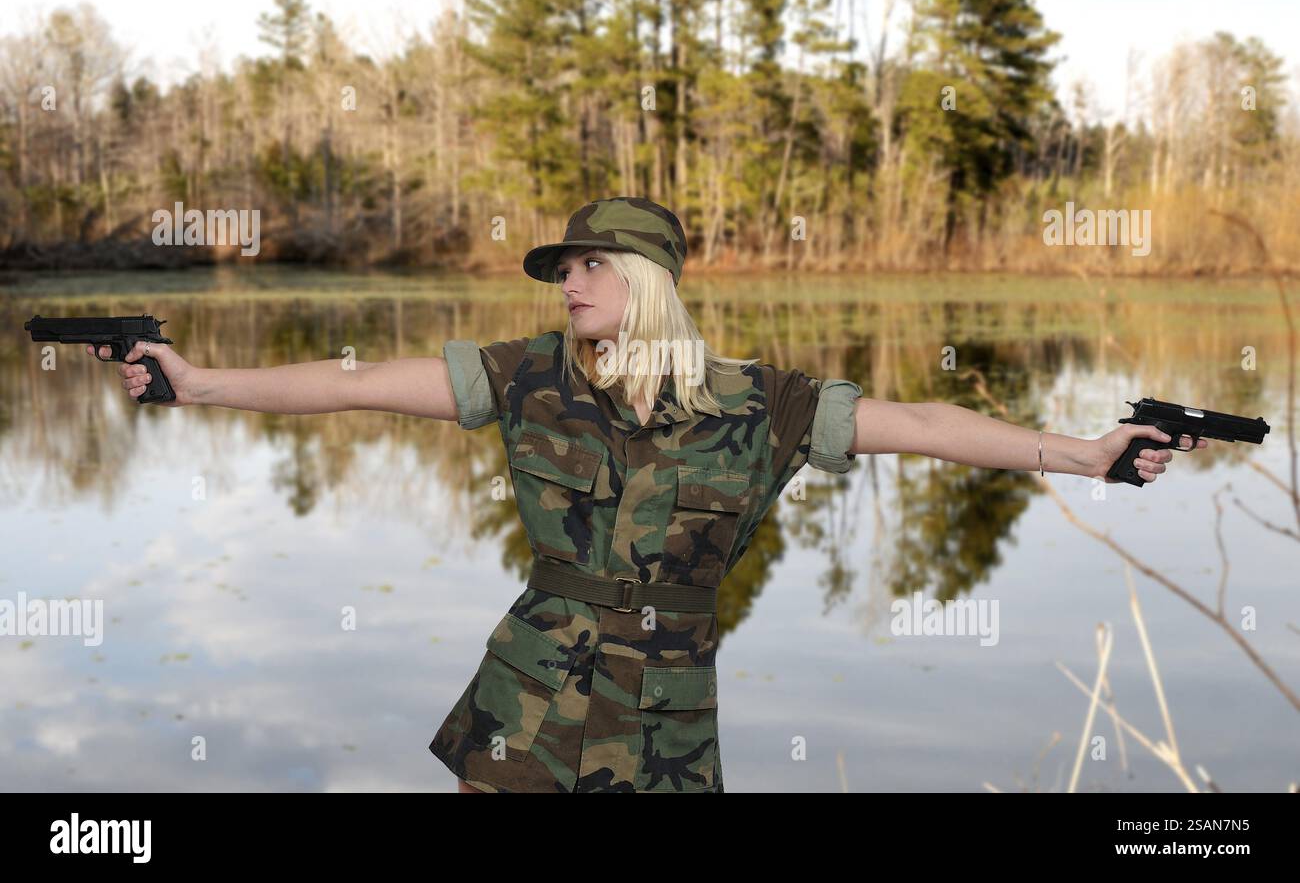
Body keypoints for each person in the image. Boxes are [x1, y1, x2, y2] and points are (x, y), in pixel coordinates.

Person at [90, 196, 1206, 793]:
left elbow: (924, 425)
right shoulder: (525, 377)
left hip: (667, 711)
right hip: (528, 687)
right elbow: (353, 389)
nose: (567, 281)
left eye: (589, 266)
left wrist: (1087, 449)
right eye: (561, 268)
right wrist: (200, 383)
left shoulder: (763, 404)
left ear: (650, 283)